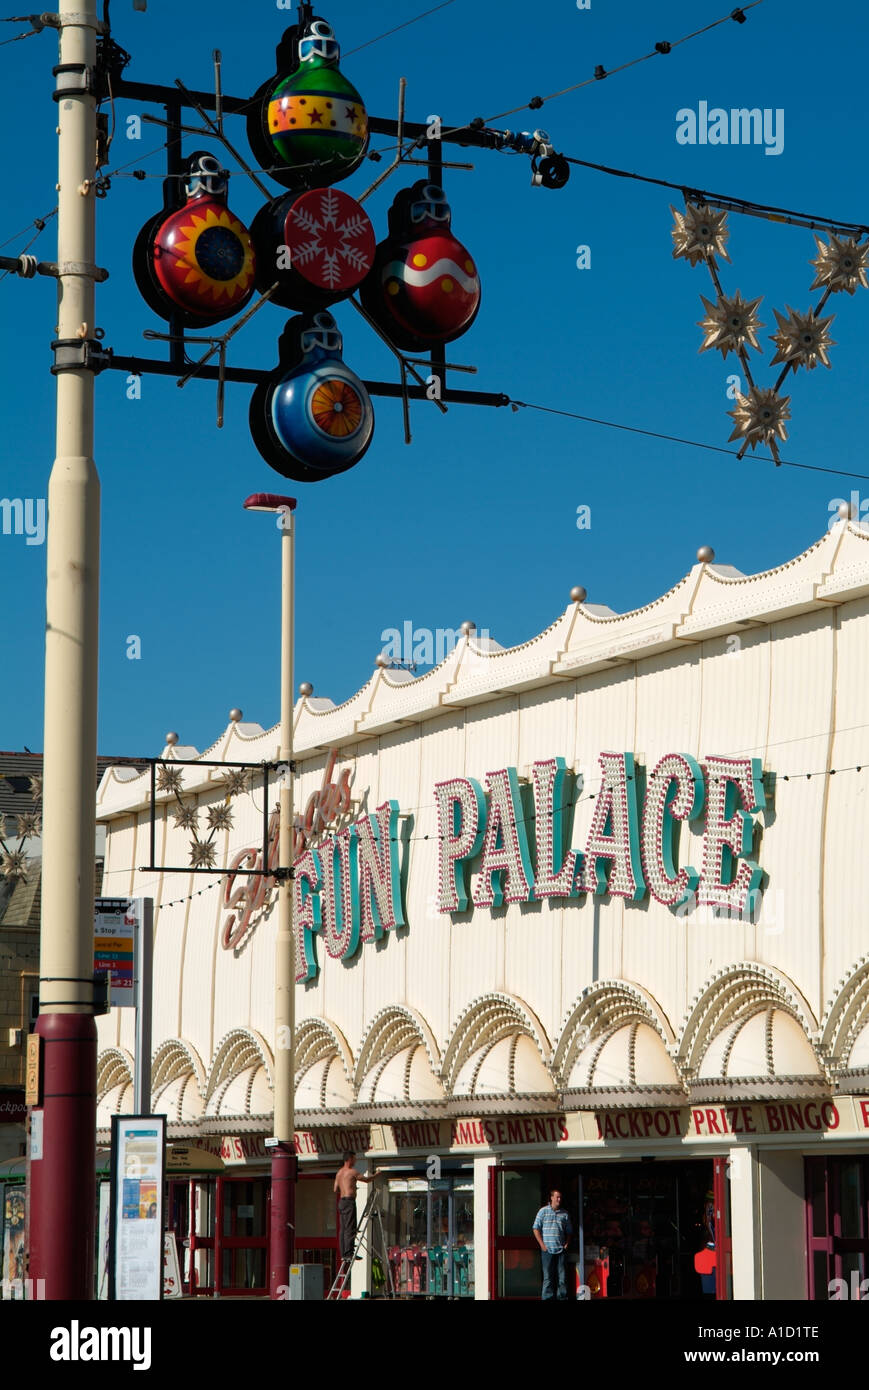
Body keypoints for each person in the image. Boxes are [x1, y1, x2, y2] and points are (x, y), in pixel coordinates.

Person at [333, 1152, 380, 1266]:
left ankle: (344, 1254)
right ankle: (349, 1254)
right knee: (350, 1227)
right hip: (349, 1202)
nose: (356, 1161)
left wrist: (346, 1189)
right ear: (349, 1159)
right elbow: (367, 1179)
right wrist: (377, 1174)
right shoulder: (352, 1172)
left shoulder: (339, 1173)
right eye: (354, 1159)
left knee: (343, 1228)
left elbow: (335, 1189)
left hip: (342, 1201)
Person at [532, 1189, 572, 1300]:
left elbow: (569, 1231)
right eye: (557, 1197)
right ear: (551, 1198)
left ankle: (562, 1297)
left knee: (562, 1278)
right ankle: (547, 1298)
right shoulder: (543, 1211)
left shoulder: (564, 1214)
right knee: (548, 1278)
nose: (559, 1199)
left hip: (560, 1250)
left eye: (560, 1197)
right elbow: (535, 1228)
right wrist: (542, 1245)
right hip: (547, 1250)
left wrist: (566, 1244)